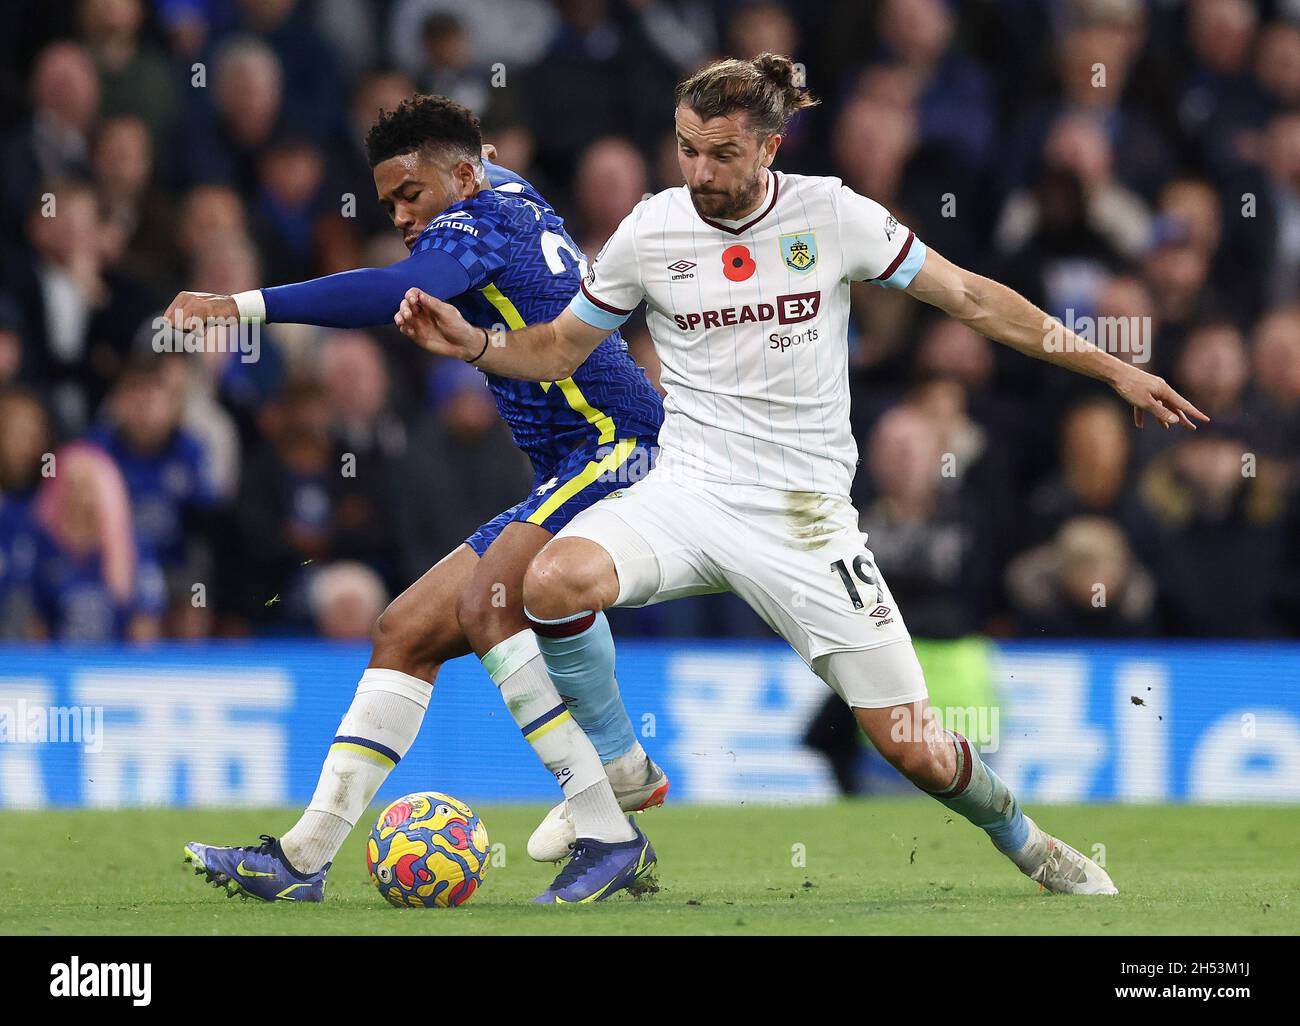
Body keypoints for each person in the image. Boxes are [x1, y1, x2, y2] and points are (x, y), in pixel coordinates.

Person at [396, 54, 1211, 896]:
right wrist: (480, 346)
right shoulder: (651, 229)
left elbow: (971, 299)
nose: (700, 171)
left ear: (770, 148)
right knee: (553, 581)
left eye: (720, 154)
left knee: (912, 747)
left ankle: (1025, 839)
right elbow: (561, 345)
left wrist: (1113, 370)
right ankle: (621, 771)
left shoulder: (832, 215)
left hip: (806, 518)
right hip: (689, 489)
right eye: (686, 150)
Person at [170, 95, 665, 905]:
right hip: (571, 458)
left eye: (412, 195)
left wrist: (241, 307)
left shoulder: (473, 225)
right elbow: (458, 186)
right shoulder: (500, 188)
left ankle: (606, 824)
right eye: (389, 201)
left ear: (464, 177)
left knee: (487, 603)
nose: (402, 214)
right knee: (402, 630)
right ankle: (302, 859)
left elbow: (390, 293)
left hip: (616, 443)